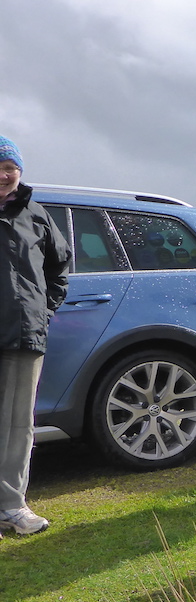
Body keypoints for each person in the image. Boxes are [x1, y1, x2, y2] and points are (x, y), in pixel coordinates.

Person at [0, 134, 71, 538]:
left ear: (19, 171)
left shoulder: (37, 215)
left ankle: (11, 506)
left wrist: (41, 312)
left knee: (15, 425)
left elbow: (59, 269)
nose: (4, 175)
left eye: (9, 167)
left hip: (24, 334)